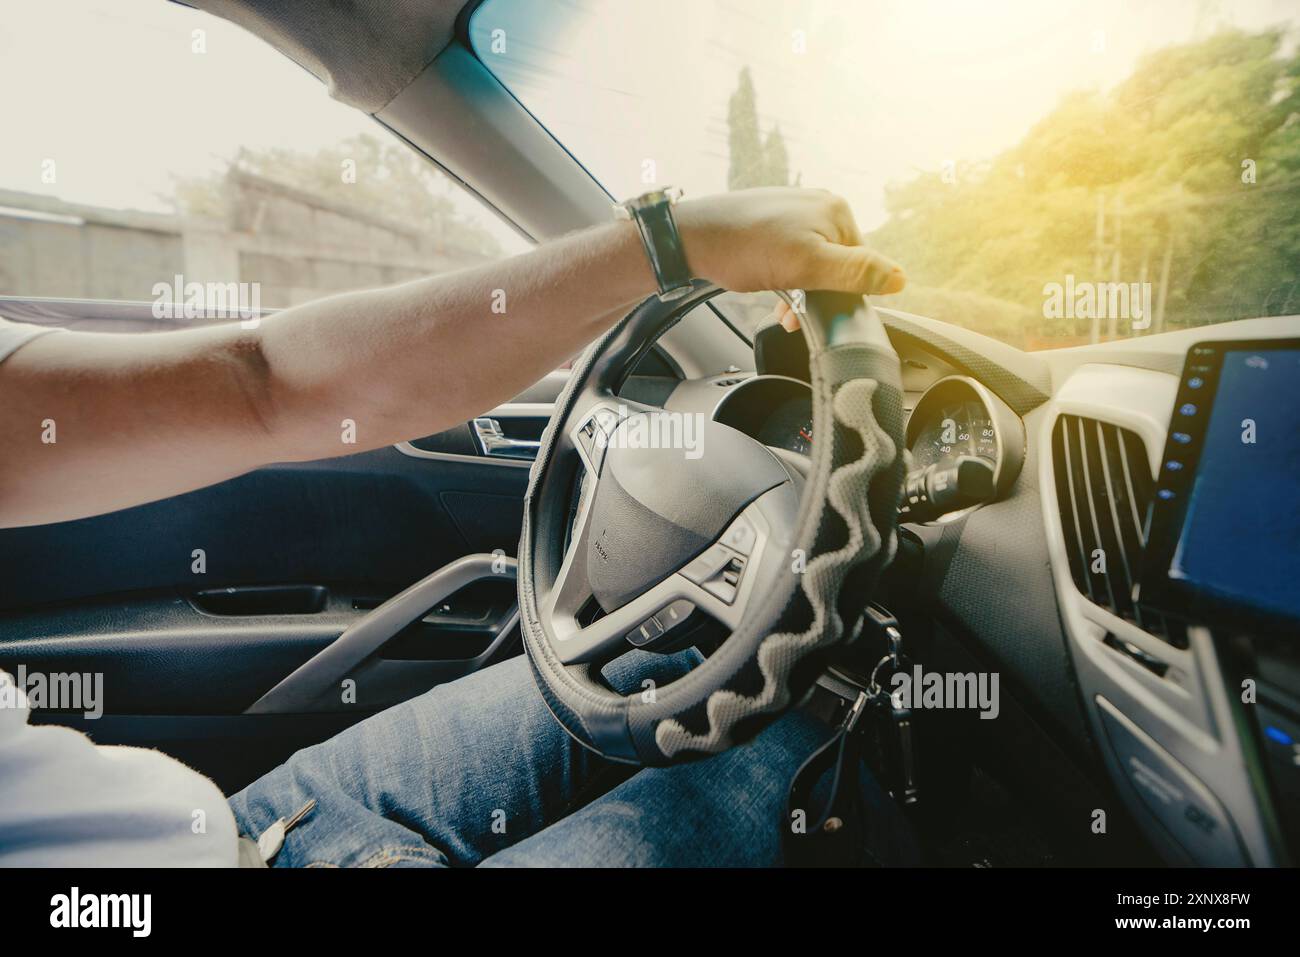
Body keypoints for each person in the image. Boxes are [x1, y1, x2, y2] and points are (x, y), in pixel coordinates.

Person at [0, 187, 910, 867]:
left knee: (703, 676)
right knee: (826, 745)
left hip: (252, 827)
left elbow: (264, 381)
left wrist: (677, 243)